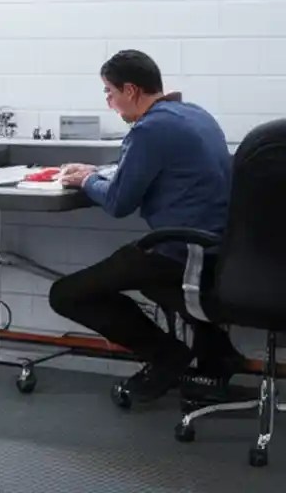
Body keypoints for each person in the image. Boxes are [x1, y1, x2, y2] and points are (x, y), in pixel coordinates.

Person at [49, 49, 240, 404]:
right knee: (150, 282)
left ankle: (167, 356)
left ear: (131, 90)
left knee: (66, 294)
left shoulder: (150, 129)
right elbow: (140, 173)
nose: (110, 102)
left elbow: (120, 203)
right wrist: (95, 175)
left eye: (110, 92)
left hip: (182, 251)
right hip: (220, 247)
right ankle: (217, 350)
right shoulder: (193, 114)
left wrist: (85, 182)